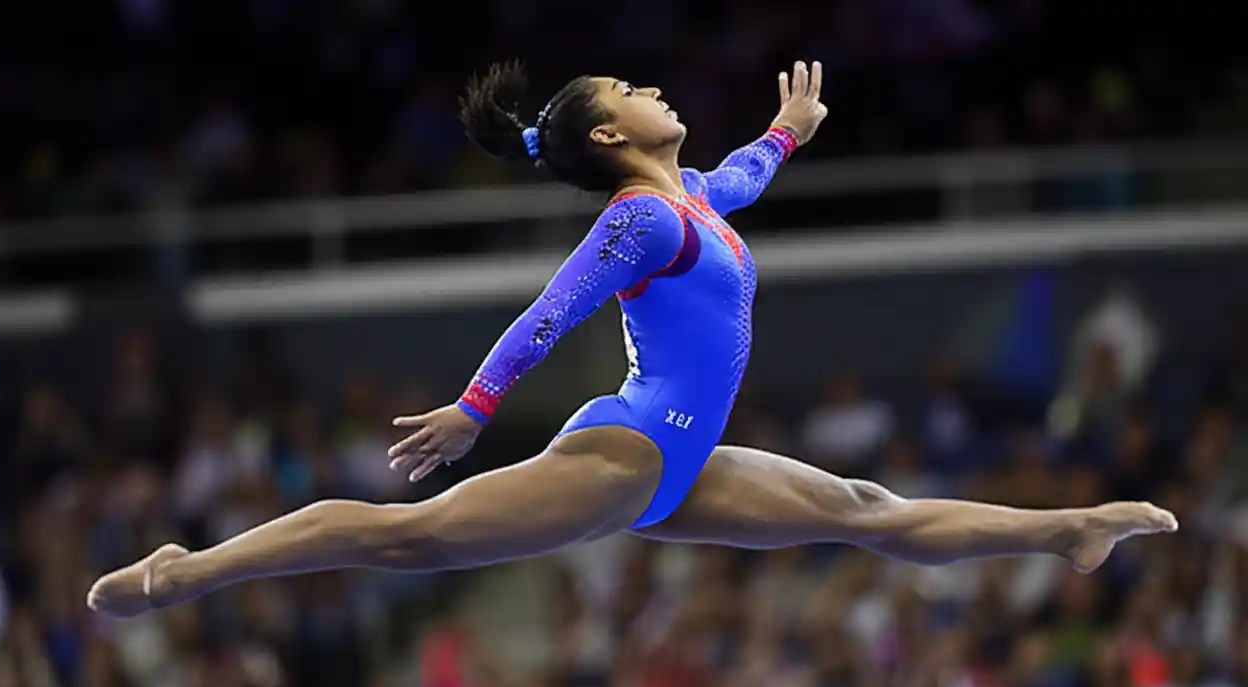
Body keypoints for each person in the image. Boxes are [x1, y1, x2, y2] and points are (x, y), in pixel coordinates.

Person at [87, 60, 1176, 618]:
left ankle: (1067, 530)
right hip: (630, 446)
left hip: (679, 459)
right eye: (633, 89)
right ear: (612, 135)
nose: (655, 88)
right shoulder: (637, 219)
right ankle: (189, 572)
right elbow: (549, 311)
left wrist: (785, 135)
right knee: (400, 536)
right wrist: (473, 410)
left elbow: (742, 176)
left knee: (864, 512)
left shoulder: (691, 195)